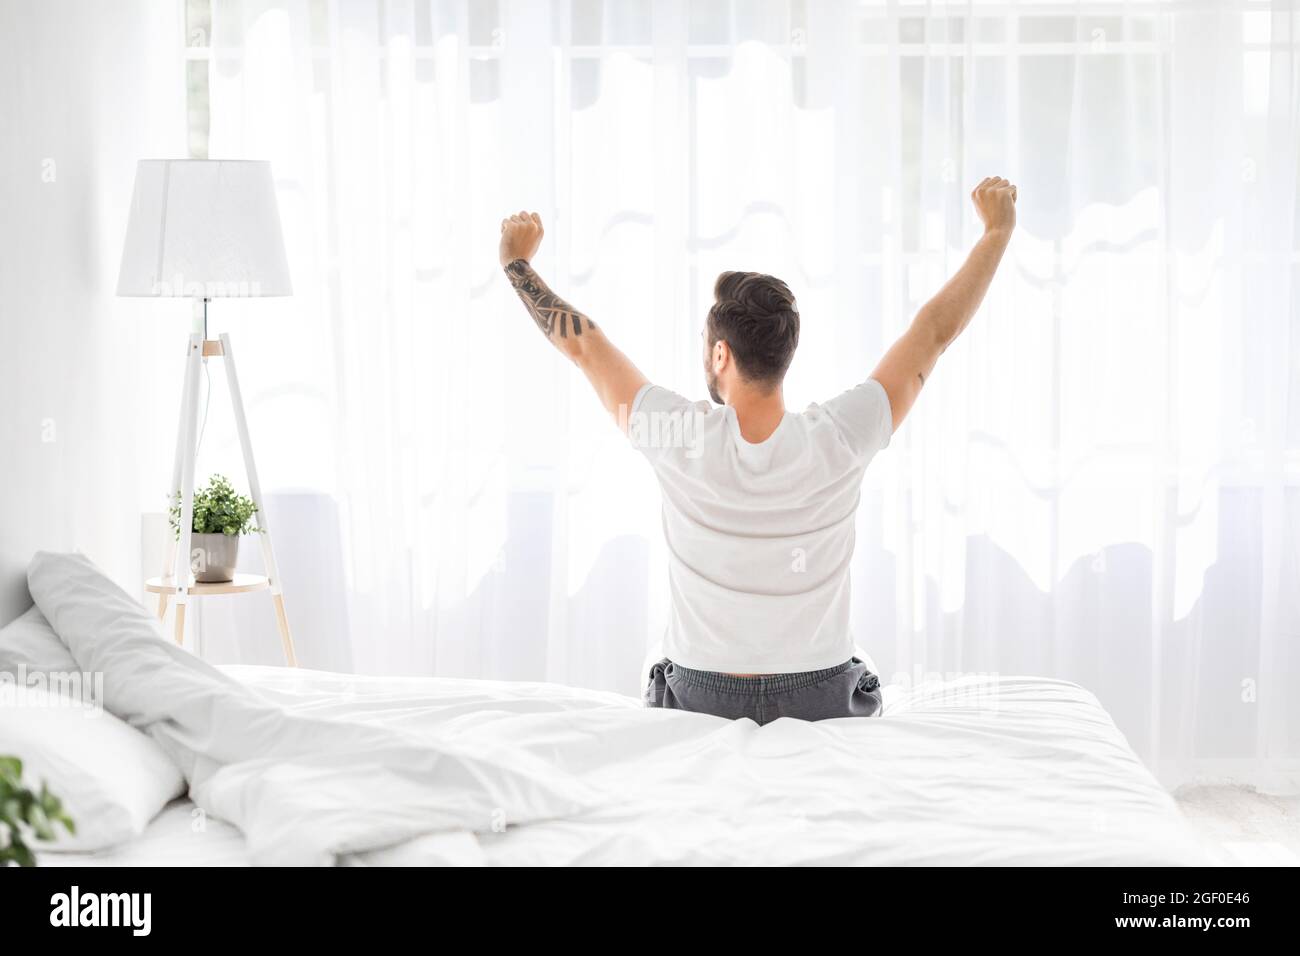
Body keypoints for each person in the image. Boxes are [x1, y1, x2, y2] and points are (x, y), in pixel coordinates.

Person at [499, 176, 1017, 724]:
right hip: (818, 696)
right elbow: (935, 332)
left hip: (701, 695)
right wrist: (997, 232)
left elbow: (583, 345)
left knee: (662, 668)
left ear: (720, 354)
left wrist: (517, 264)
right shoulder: (844, 434)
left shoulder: (672, 434)